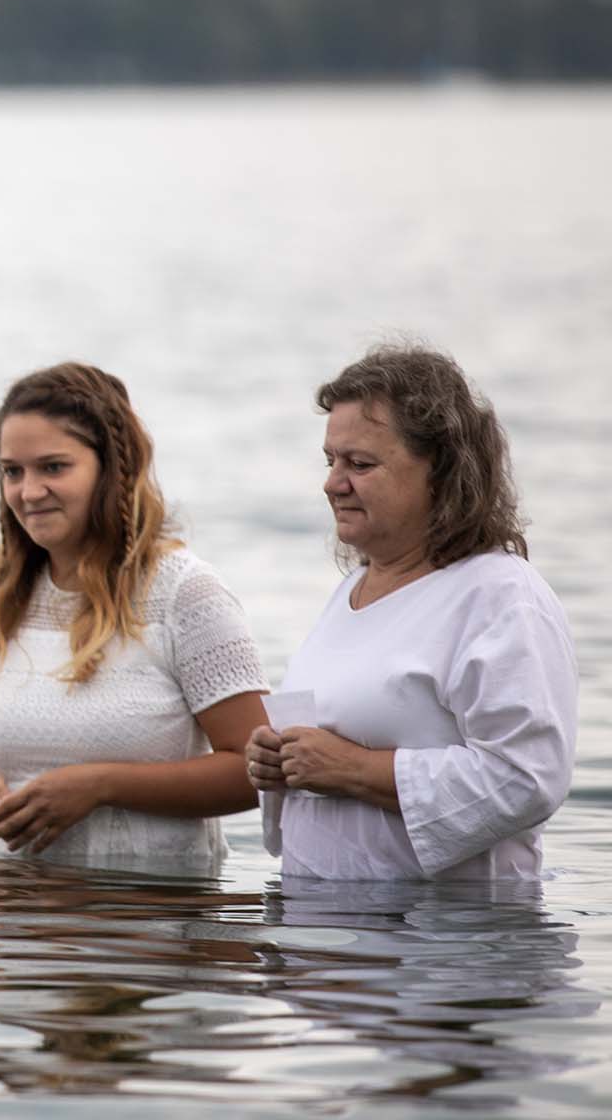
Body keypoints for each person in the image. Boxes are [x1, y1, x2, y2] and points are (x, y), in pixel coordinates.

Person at [246, 344, 577, 880]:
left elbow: (527, 778)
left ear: (440, 471)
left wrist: (354, 770)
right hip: (326, 939)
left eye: (360, 464)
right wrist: (277, 762)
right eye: (331, 461)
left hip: (444, 948)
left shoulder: (498, 595)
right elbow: (328, 749)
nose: (333, 483)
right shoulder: (351, 590)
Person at [0, 363, 270, 865]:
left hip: (146, 915)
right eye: (12, 471)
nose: (28, 492)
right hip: (8, 910)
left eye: (53, 467)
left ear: (112, 468)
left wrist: (100, 786)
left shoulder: (186, 591)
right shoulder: (3, 593)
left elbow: (254, 770)